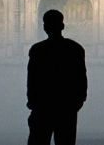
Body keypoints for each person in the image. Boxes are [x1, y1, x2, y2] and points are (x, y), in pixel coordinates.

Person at [27, 9, 87, 145]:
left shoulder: (38, 50)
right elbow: (81, 80)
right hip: (66, 107)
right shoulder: (75, 49)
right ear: (62, 26)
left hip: (43, 107)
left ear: (44, 27)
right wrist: (77, 102)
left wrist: (32, 102)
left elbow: (32, 81)